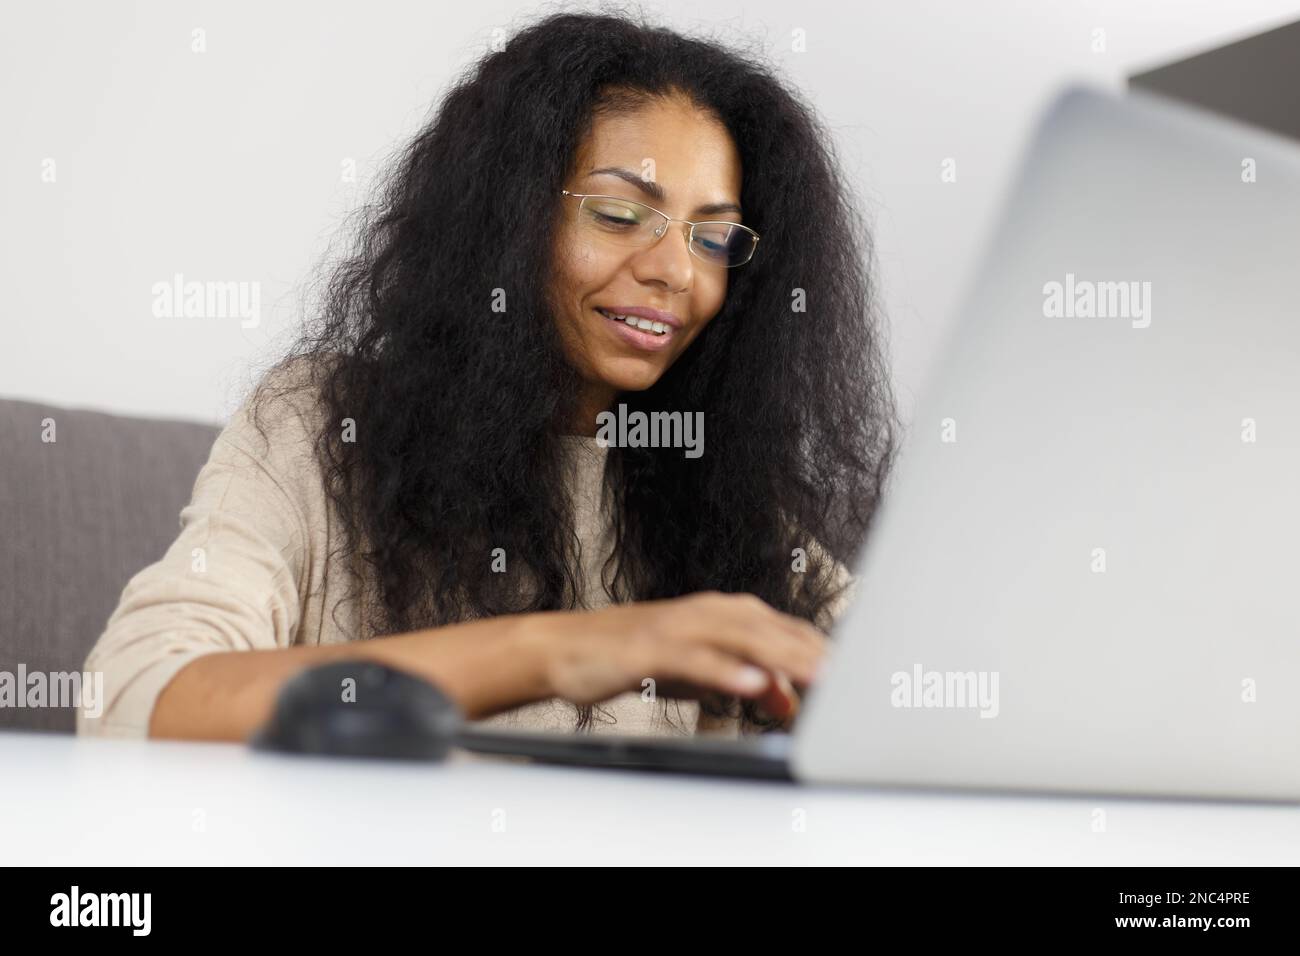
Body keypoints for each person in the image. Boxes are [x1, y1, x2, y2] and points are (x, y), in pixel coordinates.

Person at [78, 11, 896, 743]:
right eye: (618, 215)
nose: (675, 272)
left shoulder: (723, 494)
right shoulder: (321, 423)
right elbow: (135, 700)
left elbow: (917, 696)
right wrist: (565, 649)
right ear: (508, 220)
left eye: (713, 239)